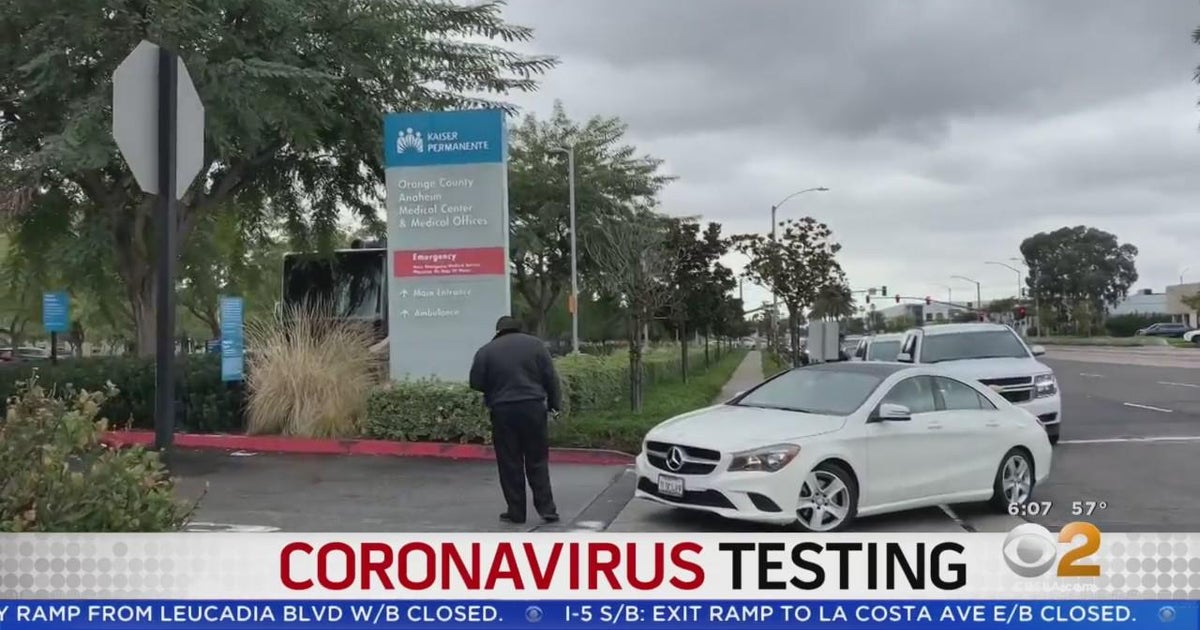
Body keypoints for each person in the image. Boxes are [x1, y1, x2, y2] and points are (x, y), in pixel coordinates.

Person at [469, 316, 561, 524]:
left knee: (510, 462)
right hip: (533, 408)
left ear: (498, 331)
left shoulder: (486, 351)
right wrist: (554, 404)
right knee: (537, 460)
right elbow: (550, 377)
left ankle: (516, 512)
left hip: (503, 411)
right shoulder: (536, 346)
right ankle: (547, 509)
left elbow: (476, 382)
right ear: (519, 328)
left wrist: (494, 388)